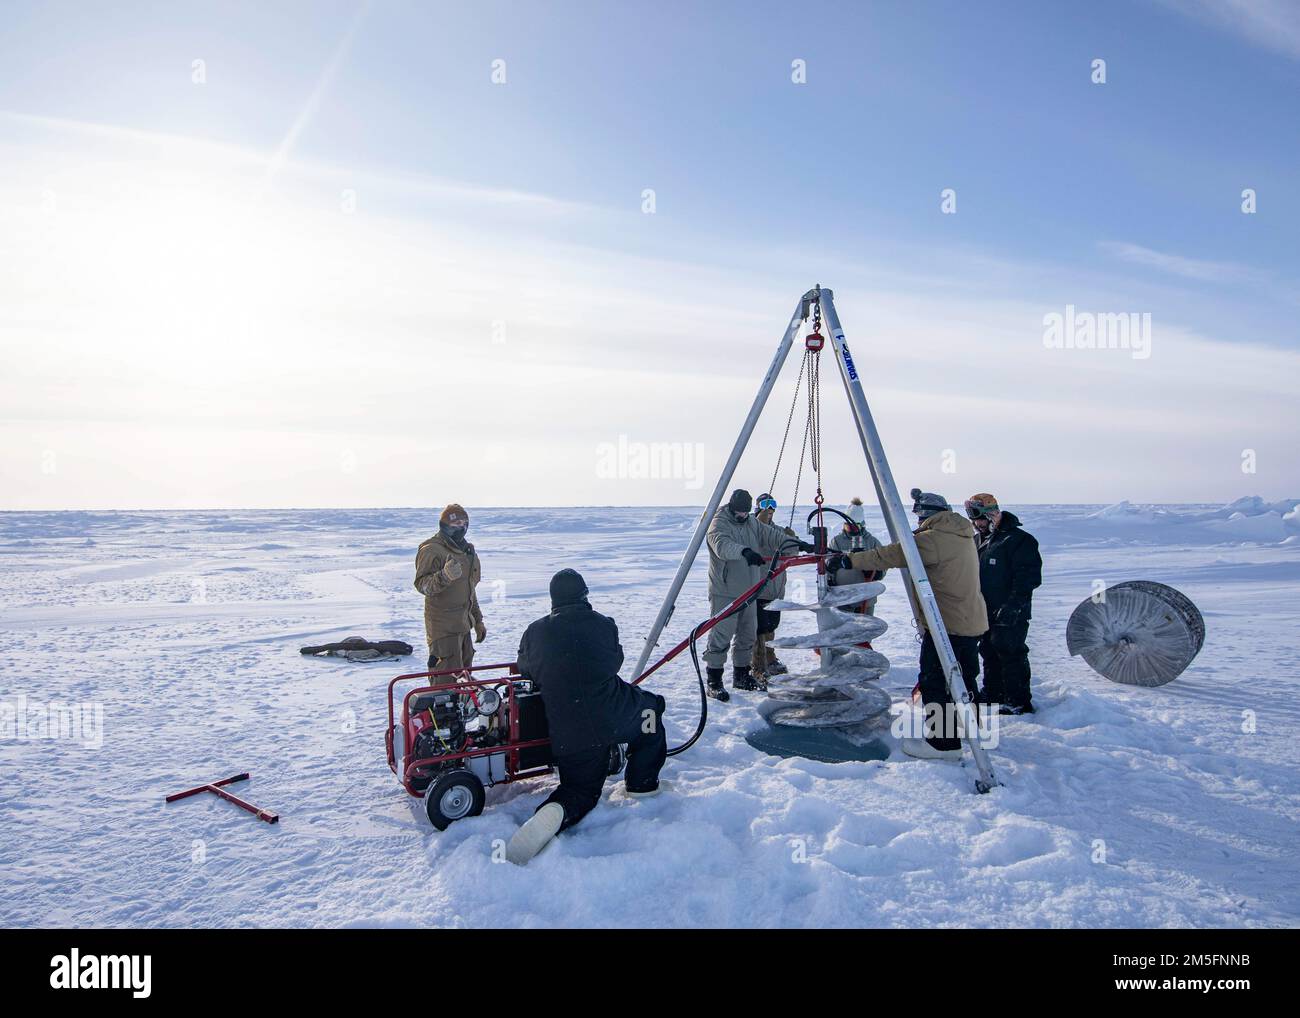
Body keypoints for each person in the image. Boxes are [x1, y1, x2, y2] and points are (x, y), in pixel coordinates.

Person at [505, 568, 667, 865]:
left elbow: (525, 669)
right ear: (584, 595)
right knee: (652, 714)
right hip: (615, 712)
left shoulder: (534, 632)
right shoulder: (604, 625)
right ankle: (642, 785)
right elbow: (615, 661)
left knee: (580, 789)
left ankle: (557, 811)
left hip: (570, 731)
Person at [827, 489, 987, 761]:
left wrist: (848, 559)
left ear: (925, 515)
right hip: (969, 619)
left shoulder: (933, 539)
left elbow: (890, 555)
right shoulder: (961, 534)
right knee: (965, 675)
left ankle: (943, 744)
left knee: (934, 680)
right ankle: (969, 725)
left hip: (946, 624)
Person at [705, 489, 812, 698]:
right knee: (722, 635)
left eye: (746, 513)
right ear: (732, 508)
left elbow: (772, 536)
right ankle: (714, 681)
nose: (744, 516)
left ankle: (742, 675)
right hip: (725, 591)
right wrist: (744, 552)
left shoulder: (752, 523)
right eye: (740, 513)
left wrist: (800, 545)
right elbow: (721, 545)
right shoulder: (719, 522)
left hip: (750, 591)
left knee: (747, 634)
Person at [965, 493, 1043, 715]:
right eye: (974, 519)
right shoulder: (978, 540)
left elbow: (1029, 578)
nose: (977, 524)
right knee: (988, 651)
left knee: (1011, 653)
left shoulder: (1019, 540)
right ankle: (993, 693)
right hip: (984, 609)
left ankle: (1018, 700)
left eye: (980, 518)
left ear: (993, 514)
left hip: (1011, 611)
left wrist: (1013, 605)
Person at [413, 504, 486, 674]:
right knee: (445, 683)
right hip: (443, 630)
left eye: (464, 523)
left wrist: (478, 620)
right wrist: (444, 576)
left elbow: (470, 591)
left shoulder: (467, 552)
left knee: (465, 682)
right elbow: (423, 585)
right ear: (444, 525)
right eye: (455, 523)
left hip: (464, 627)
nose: (461, 527)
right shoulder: (432, 550)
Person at [827, 497, 887, 644]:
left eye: (855, 525)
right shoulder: (837, 541)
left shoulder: (871, 542)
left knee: (864, 631)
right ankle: (842, 655)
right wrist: (831, 570)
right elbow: (826, 563)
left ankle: (863, 653)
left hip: (866, 596)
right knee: (843, 630)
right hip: (842, 595)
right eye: (849, 524)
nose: (852, 528)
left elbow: (883, 561)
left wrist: (879, 572)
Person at [752, 493, 798, 681]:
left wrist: (791, 538)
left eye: (773, 504)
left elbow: (792, 552)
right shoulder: (752, 530)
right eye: (765, 504)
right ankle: (757, 664)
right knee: (759, 628)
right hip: (758, 587)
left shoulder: (778, 530)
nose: (770, 508)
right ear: (757, 507)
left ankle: (770, 659)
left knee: (771, 627)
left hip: (776, 588)